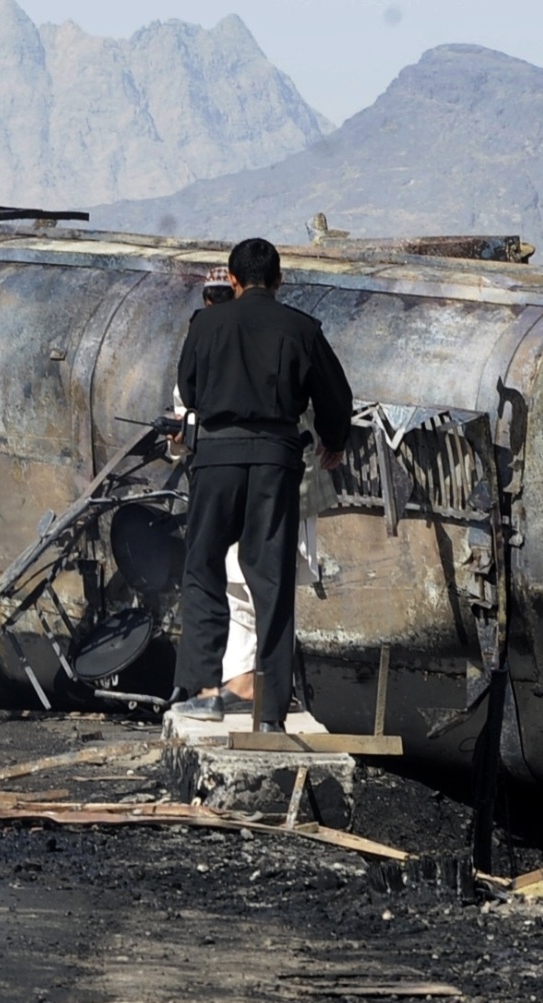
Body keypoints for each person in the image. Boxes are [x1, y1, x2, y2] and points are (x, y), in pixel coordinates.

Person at [171, 238, 353, 731]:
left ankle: (206, 692)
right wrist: (334, 442)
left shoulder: (205, 325)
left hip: (217, 461)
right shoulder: (302, 328)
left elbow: (188, 390)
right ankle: (270, 715)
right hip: (276, 461)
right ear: (279, 280)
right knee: (270, 580)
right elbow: (336, 397)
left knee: (203, 568)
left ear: (231, 279)